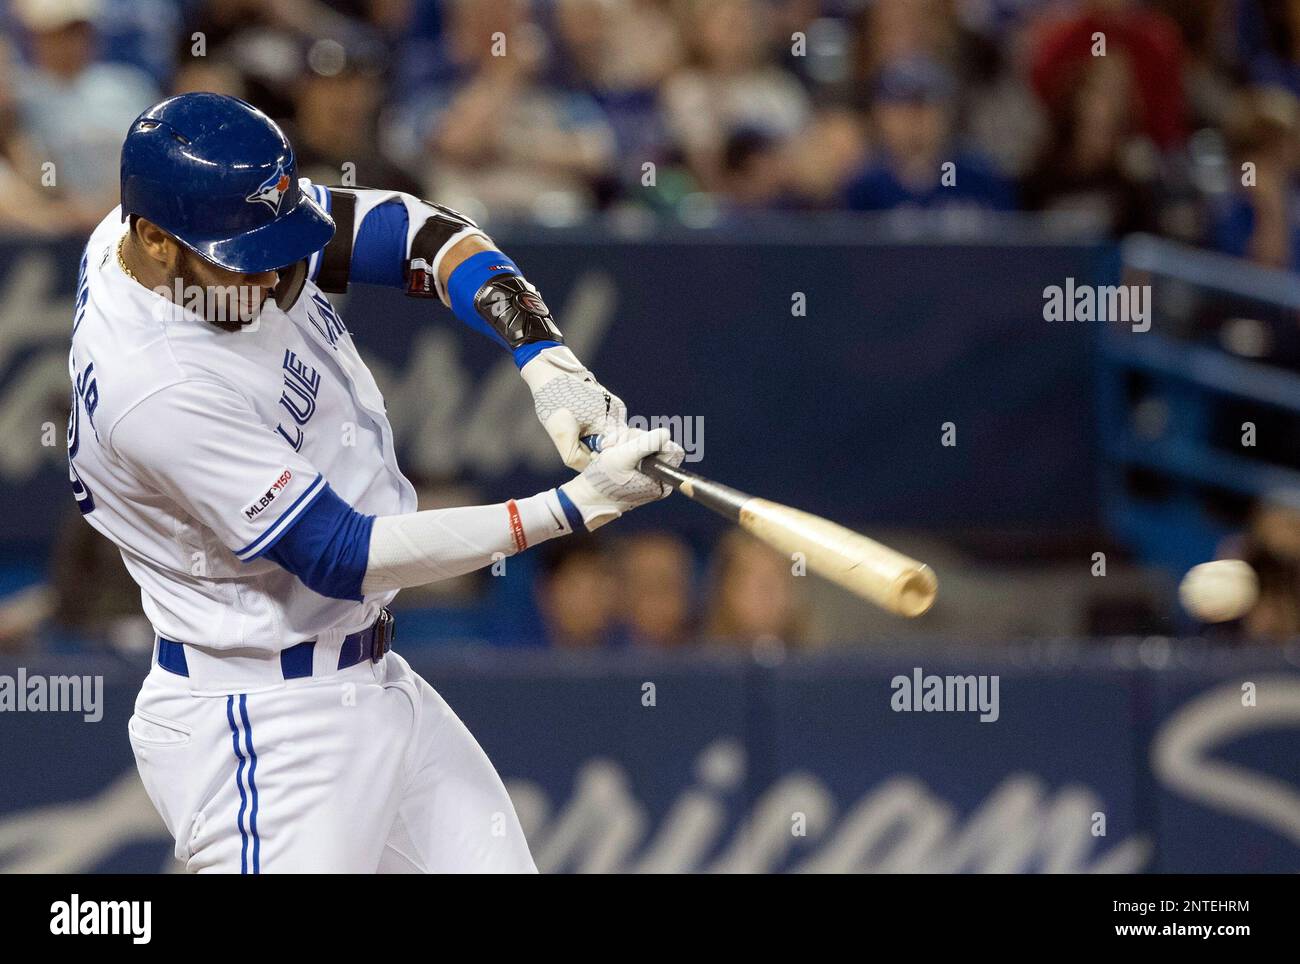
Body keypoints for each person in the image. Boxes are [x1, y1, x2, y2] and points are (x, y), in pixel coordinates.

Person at [66, 92, 683, 873]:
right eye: (247, 258)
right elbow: (341, 555)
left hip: (370, 679)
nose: (275, 275)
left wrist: (546, 360)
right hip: (267, 727)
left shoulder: (164, 228)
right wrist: (574, 506)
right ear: (154, 239)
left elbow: (416, 233)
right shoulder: (156, 386)